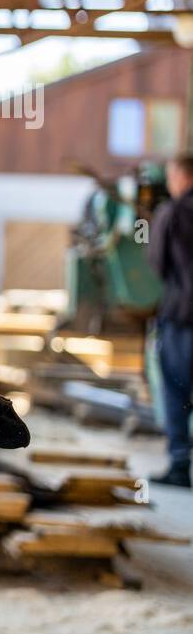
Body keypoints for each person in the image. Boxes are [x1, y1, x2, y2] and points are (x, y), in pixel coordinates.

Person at [147, 154, 193, 488]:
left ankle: (180, 464)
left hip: (182, 316)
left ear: (181, 176)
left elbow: (157, 263)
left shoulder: (172, 213)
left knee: (177, 389)